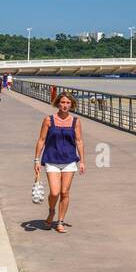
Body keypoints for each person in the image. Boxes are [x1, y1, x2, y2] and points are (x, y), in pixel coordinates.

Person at [33, 92, 86, 233]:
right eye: (62, 102)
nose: (65, 105)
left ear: (72, 104)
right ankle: (51, 211)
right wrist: (36, 160)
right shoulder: (49, 120)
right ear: (58, 103)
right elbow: (41, 140)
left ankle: (60, 221)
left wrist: (82, 161)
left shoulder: (76, 122)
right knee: (55, 192)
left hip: (69, 160)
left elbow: (79, 141)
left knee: (64, 192)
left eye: (68, 103)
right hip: (52, 160)